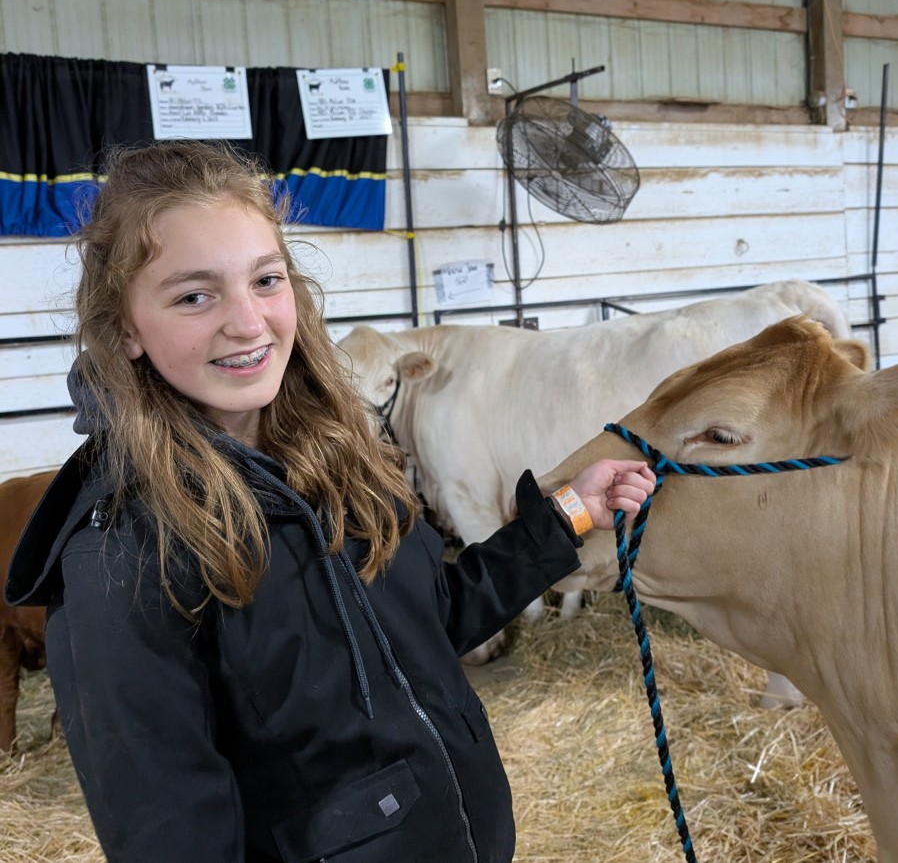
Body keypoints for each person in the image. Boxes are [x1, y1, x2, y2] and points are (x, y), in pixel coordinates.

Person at [5, 140, 655, 863]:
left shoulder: (334, 456)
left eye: (265, 280)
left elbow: (426, 623)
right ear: (125, 327)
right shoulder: (122, 551)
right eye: (195, 295)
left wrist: (567, 512)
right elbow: (172, 831)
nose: (248, 323)